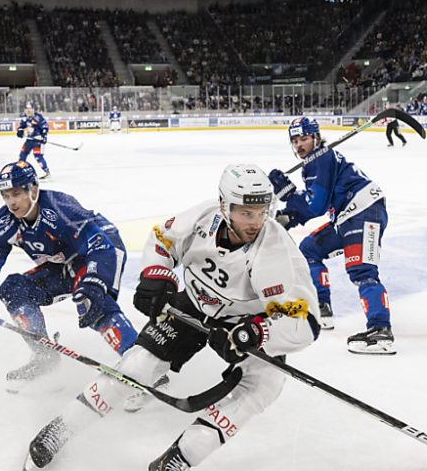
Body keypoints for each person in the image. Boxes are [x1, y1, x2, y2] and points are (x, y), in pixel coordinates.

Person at [22, 163, 321, 471]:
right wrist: (156, 274)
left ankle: (179, 459)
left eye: (262, 212)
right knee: (137, 365)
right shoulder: (204, 217)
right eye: (246, 213)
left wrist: (255, 334)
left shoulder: (275, 253)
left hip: (247, 320)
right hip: (193, 302)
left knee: (262, 387)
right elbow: (163, 239)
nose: (256, 222)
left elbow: (306, 322)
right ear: (224, 205)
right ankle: (60, 429)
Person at [0, 161, 138, 391]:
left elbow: (100, 246)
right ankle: (44, 356)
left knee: (91, 300)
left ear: (33, 189)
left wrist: (95, 282)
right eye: (5, 195)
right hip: (60, 262)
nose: (11, 202)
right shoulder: (2, 223)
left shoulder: (61, 208)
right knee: (13, 288)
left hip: (100, 252)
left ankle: (140, 365)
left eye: (16, 193)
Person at [269, 117, 395, 354]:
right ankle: (322, 306)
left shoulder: (321, 158)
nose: (299, 145)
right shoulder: (317, 161)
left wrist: (287, 192)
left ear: (316, 137)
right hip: (347, 216)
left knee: (363, 270)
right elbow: (314, 204)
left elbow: (315, 206)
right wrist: (289, 216)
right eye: (294, 141)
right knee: (309, 249)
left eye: (304, 138)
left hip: (364, 211)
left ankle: (380, 330)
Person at [17, 102, 50, 179]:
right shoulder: (24, 116)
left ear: (33, 109)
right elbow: (22, 125)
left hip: (37, 140)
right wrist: (20, 131)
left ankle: (46, 171)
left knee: (38, 156)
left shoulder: (38, 117)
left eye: (30, 109)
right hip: (29, 140)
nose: (28, 110)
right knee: (22, 155)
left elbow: (45, 126)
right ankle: (20, 172)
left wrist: (44, 136)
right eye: (27, 109)